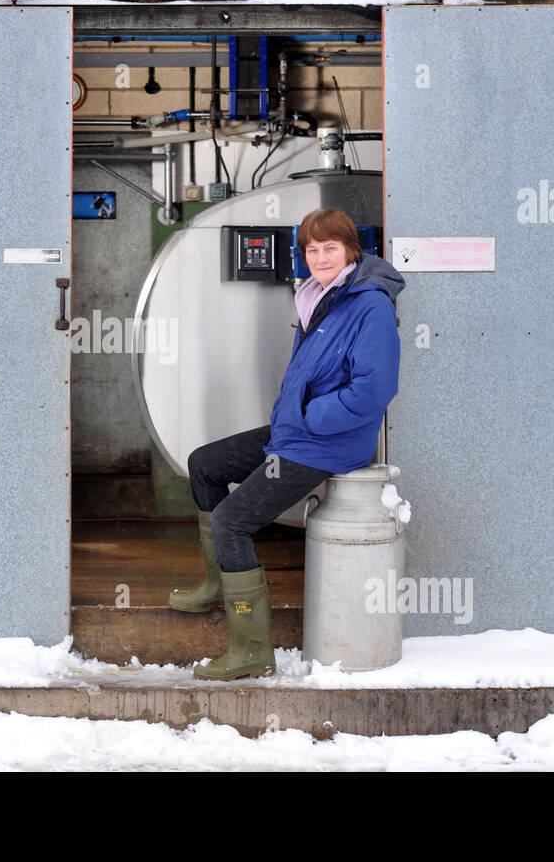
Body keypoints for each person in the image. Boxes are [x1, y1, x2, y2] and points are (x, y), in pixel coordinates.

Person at [170, 207, 406, 680]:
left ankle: (252, 649)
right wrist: (293, 418)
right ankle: (221, 579)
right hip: (294, 432)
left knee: (231, 520)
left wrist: (310, 417)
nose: (320, 257)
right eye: (312, 250)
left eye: (330, 248)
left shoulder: (370, 305)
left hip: (325, 444)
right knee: (205, 464)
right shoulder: (318, 297)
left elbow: (373, 391)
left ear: (351, 251)